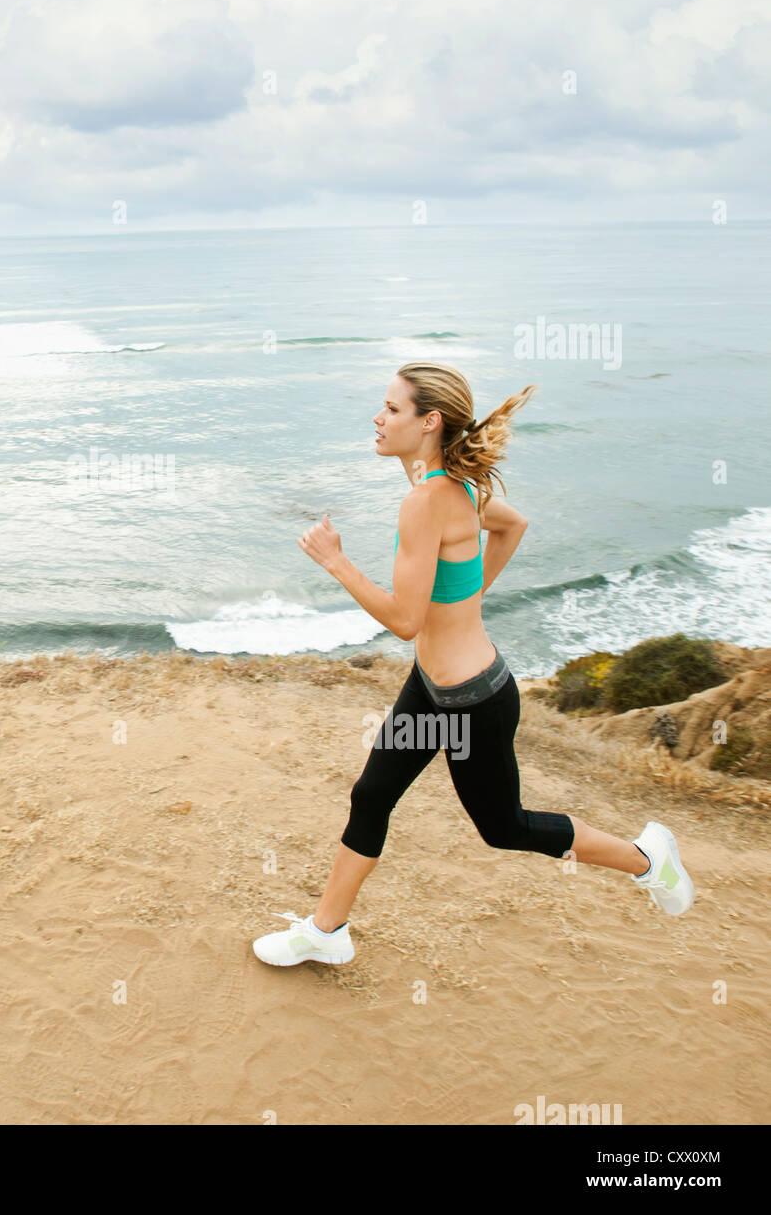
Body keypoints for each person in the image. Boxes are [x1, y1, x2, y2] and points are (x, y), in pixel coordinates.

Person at [253, 362, 694, 968]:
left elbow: (406, 620)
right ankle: (326, 931)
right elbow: (513, 525)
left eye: (392, 409)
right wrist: (466, 598)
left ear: (428, 422)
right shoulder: (457, 486)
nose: (377, 419)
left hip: (472, 702)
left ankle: (649, 859)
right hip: (431, 689)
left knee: (505, 828)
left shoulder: (427, 500)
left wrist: (336, 562)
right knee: (372, 795)